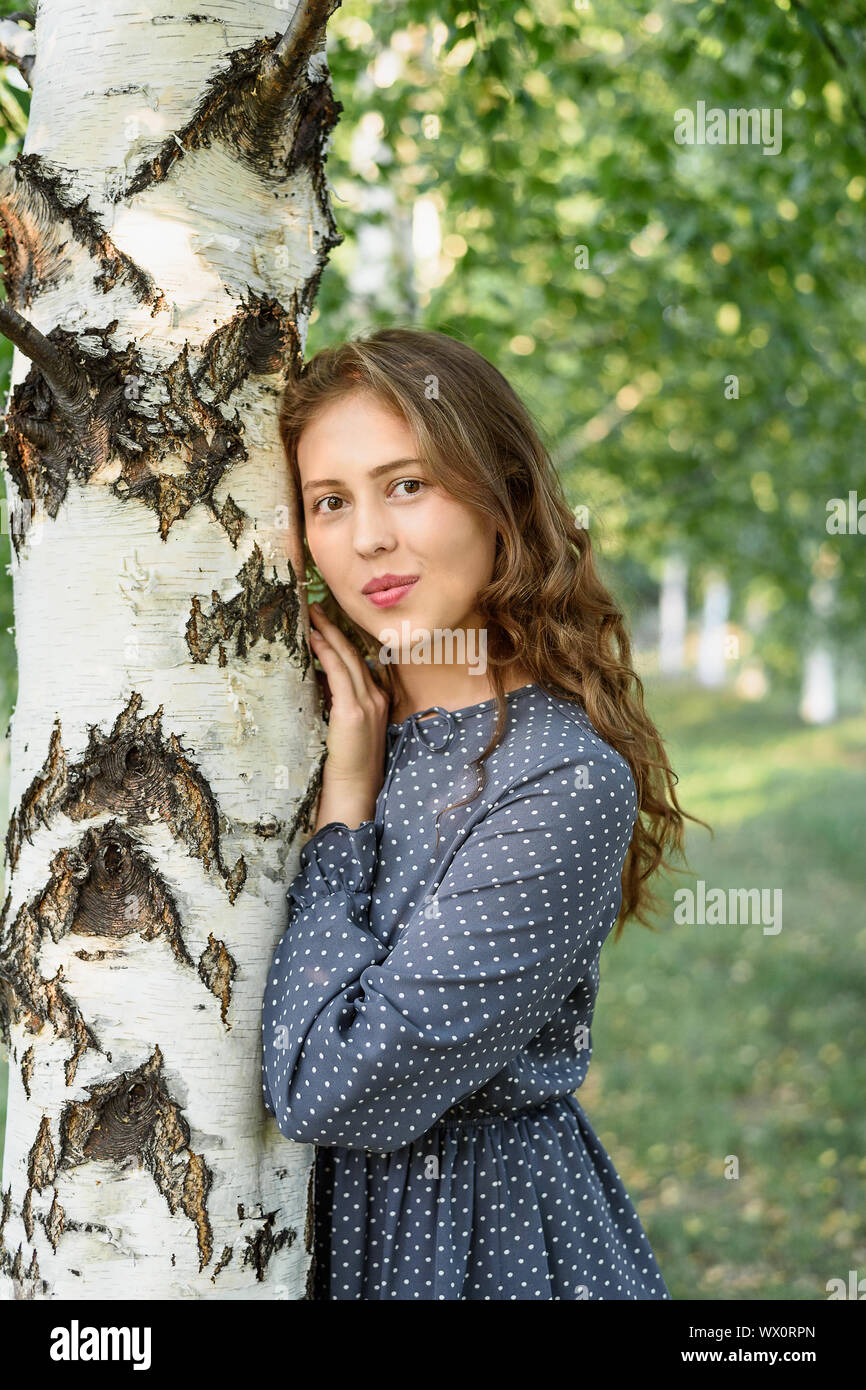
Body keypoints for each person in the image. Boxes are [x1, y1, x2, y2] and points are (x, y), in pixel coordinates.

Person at [262, 327, 701, 1300]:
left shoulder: (558, 781)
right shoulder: (277, 728)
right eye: (329, 502)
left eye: (405, 484)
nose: (369, 536)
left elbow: (334, 1085)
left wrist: (343, 820)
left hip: (469, 1244)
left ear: (499, 494)